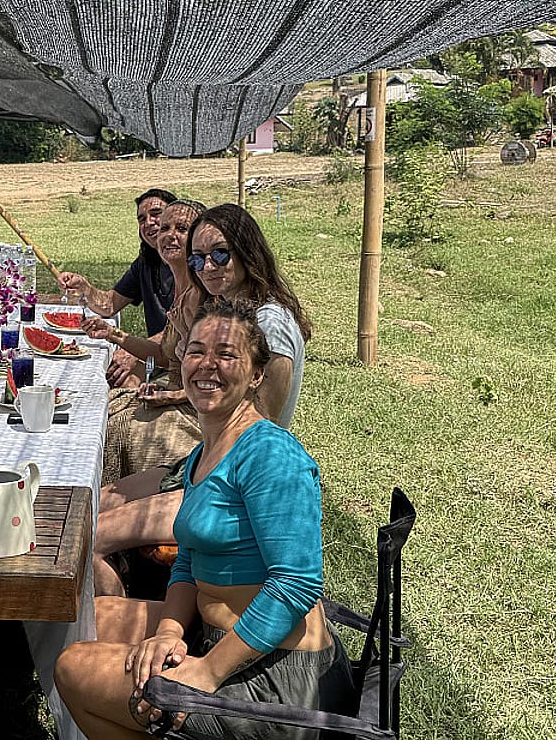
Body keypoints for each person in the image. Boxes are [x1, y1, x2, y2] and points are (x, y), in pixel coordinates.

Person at [54, 299, 351, 740]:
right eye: (196, 350)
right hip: (215, 634)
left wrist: (206, 673)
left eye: (226, 354)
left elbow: (296, 584)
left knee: (73, 667)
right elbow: (190, 557)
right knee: (94, 615)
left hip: (279, 680)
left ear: (255, 375)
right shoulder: (203, 454)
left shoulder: (271, 454)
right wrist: (169, 632)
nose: (206, 364)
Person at [93, 203, 312, 596]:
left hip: (232, 492)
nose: (207, 266)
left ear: (247, 251)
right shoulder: (229, 314)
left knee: (87, 540)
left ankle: (123, 624)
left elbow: (260, 427)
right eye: (197, 258)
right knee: (97, 503)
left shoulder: (270, 325)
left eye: (220, 254)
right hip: (201, 468)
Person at [80, 199, 206, 484]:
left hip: (193, 410)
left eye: (182, 228)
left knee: (115, 426)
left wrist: (171, 396)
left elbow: (217, 383)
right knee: (93, 410)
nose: (168, 235)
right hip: (172, 393)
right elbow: (164, 355)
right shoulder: (181, 289)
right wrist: (112, 334)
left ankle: (117, 498)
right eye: (165, 228)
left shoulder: (205, 297)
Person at [58, 188, 177, 388]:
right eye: (141, 219)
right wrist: (85, 287)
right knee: (108, 381)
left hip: (182, 359)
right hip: (157, 355)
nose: (148, 222)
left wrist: (134, 350)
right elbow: (110, 304)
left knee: (124, 385)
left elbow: (185, 330)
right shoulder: (146, 262)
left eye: (156, 214)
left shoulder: (196, 266)